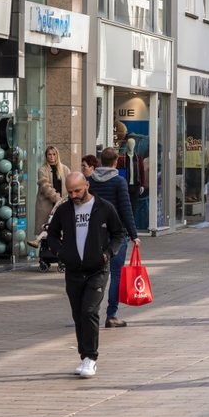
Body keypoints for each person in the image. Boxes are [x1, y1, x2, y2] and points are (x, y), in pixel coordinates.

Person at [46, 172, 124, 378]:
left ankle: (91, 357)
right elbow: (51, 234)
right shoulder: (63, 210)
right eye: (70, 192)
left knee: (89, 311)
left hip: (97, 270)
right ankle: (84, 357)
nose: (74, 195)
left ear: (87, 185)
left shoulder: (104, 208)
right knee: (78, 314)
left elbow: (118, 233)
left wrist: (107, 253)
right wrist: (59, 253)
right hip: (73, 271)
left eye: (77, 190)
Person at [86, 147, 139, 328]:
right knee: (115, 275)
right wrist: (134, 234)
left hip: (94, 235)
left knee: (96, 275)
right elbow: (126, 210)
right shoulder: (119, 182)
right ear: (116, 162)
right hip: (116, 235)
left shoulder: (89, 181)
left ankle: (90, 312)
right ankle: (111, 315)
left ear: (100, 161)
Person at [36, 146, 70, 236]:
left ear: (57, 155)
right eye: (49, 154)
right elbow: (45, 187)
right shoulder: (42, 170)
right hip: (48, 205)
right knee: (46, 231)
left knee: (62, 232)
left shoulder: (65, 169)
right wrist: (58, 200)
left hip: (62, 204)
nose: (52, 157)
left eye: (54, 154)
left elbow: (70, 184)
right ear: (46, 156)